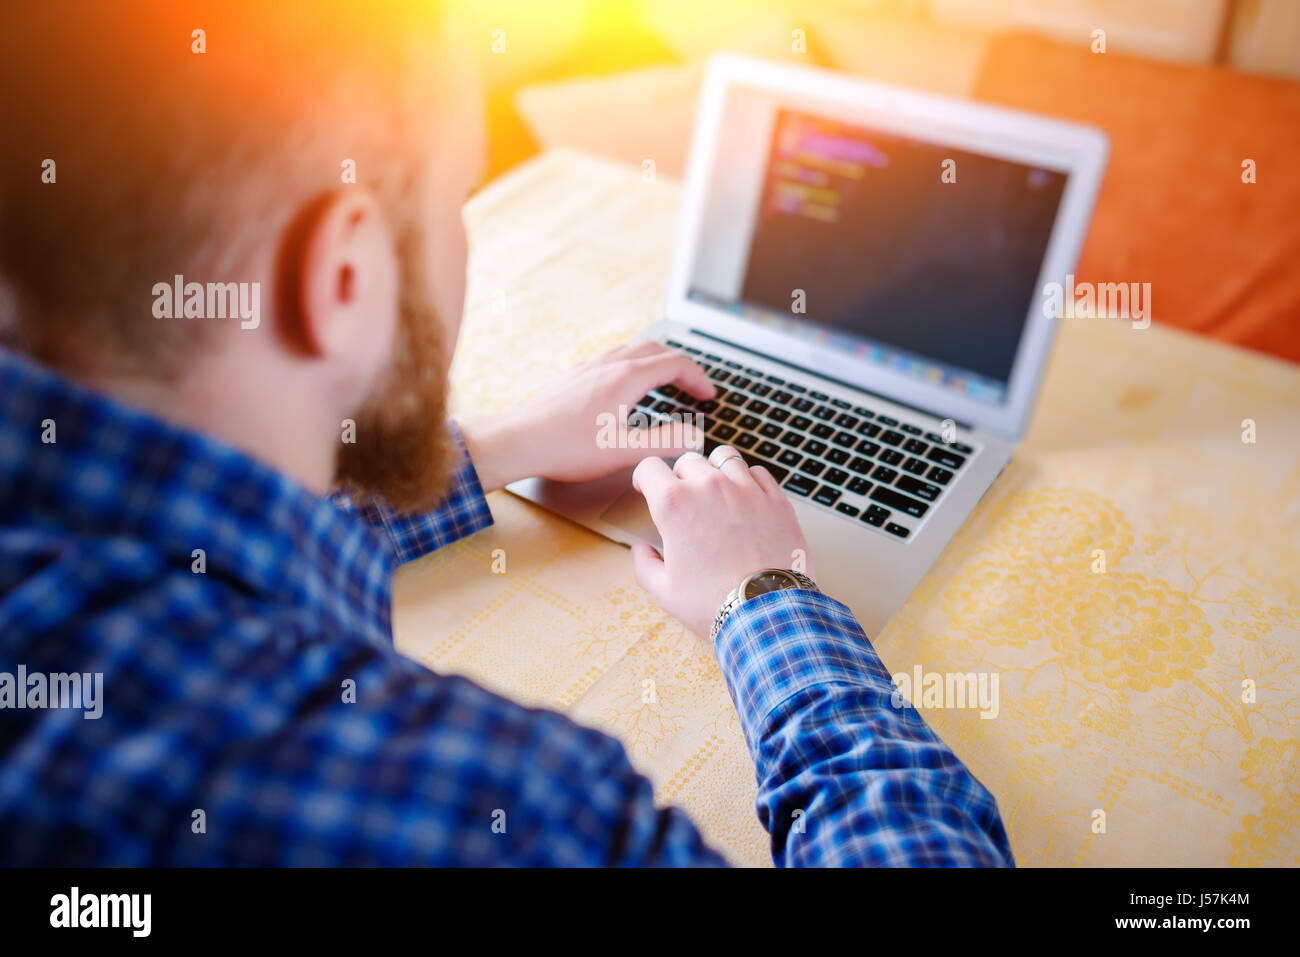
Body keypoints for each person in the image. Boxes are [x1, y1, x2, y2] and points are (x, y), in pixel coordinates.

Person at [0, 1, 1013, 866]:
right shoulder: (494, 811)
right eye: (456, 199)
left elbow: (189, 524)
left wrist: (495, 448)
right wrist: (769, 600)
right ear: (343, 280)